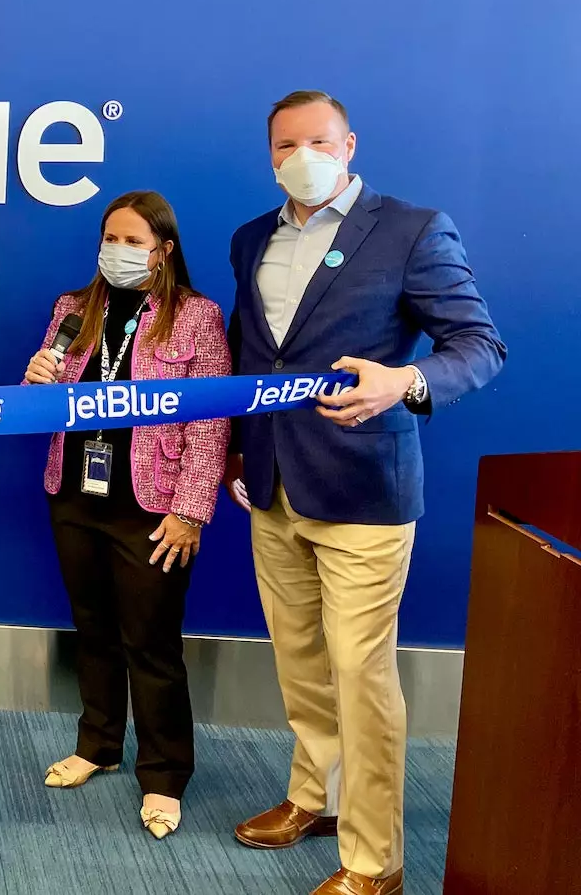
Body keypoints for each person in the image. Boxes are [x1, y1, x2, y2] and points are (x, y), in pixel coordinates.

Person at [224, 91, 505, 895]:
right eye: (285, 143)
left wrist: (405, 380)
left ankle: (373, 858)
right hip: (273, 484)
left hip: (363, 492)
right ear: (270, 153)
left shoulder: (412, 230)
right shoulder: (252, 238)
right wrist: (238, 454)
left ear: (349, 144)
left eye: (318, 139)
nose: (301, 154)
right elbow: (257, 354)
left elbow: (480, 345)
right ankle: (314, 796)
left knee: (361, 670)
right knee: (301, 660)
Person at [22, 190, 230, 840]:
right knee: (93, 630)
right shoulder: (73, 309)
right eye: (111, 237)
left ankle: (165, 775)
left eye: (135, 241)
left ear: (164, 249)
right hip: (74, 496)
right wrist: (34, 383)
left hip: (153, 507)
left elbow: (212, 417)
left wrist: (191, 511)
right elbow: (42, 404)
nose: (119, 250)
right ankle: (98, 743)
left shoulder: (197, 317)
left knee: (153, 644)